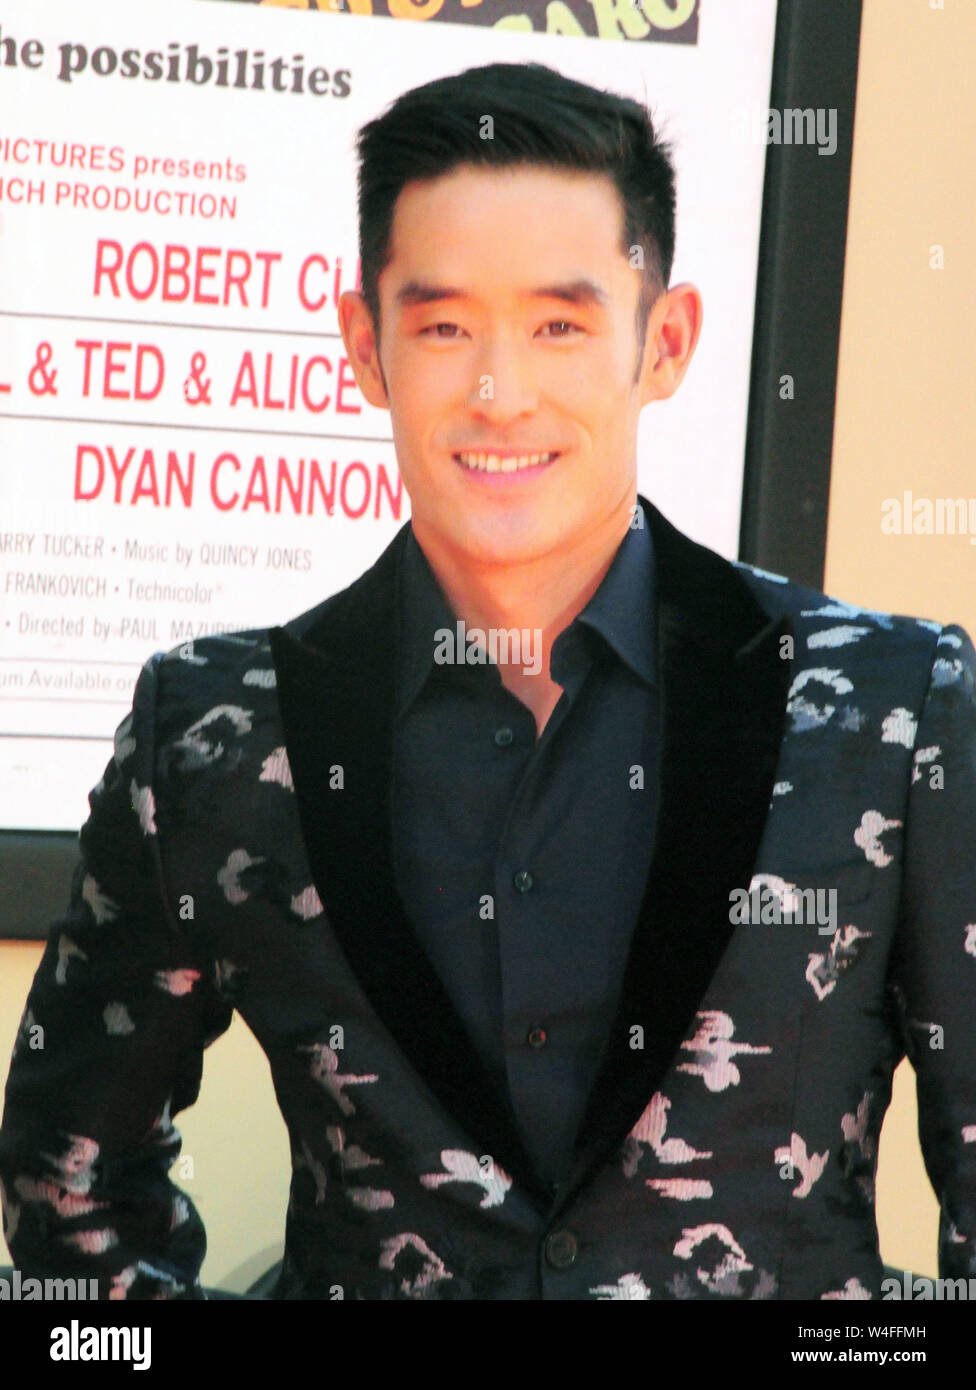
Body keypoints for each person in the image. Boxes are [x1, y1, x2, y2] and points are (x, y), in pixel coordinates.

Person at [1, 60, 975, 1302]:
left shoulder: (888, 708)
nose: (498, 392)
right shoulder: (217, 732)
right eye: (444, 323)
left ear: (660, 340)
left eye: (560, 323)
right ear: (367, 346)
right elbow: (64, 1179)